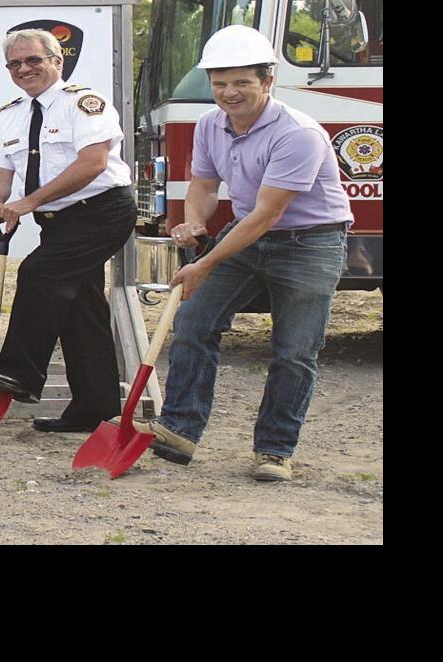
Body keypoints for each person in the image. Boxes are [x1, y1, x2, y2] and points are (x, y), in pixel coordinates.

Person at [139, 25, 352, 482]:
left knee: (294, 350)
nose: (229, 93)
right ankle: (178, 430)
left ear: (268, 82)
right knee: (195, 323)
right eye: (219, 83)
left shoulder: (298, 134)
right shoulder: (208, 124)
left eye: (241, 83)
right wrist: (195, 222)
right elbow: (203, 185)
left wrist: (204, 262)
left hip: (310, 242)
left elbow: (265, 215)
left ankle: (274, 451)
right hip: (246, 235)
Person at [0, 28, 136, 433]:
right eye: (15, 63)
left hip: (102, 211)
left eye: (33, 60)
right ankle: (94, 410)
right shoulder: (9, 115)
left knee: (39, 274)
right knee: (80, 309)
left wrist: (29, 203)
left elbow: (93, 163)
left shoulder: (83, 104)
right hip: (59, 222)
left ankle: (22, 374)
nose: (24, 69)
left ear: (57, 62)